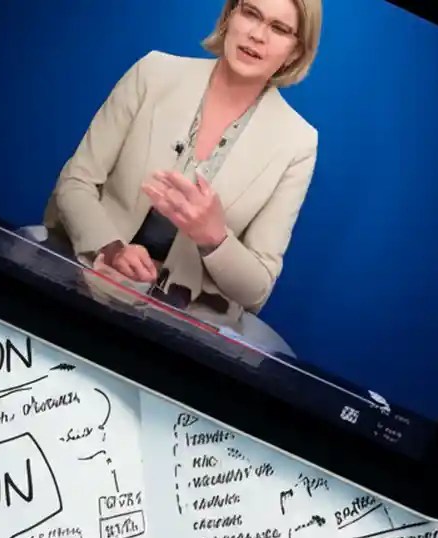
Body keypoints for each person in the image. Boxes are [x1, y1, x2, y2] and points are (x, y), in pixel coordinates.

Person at [44, 0, 322, 328]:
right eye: (250, 13)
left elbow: (257, 289)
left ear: (294, 51)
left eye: (278, 28)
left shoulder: (298, 142)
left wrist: (214, 236)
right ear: (230, 15)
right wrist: (112, 249)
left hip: (185, 322)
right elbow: (76, 182)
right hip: (90, 276)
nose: (257, 35)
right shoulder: (154, 72)